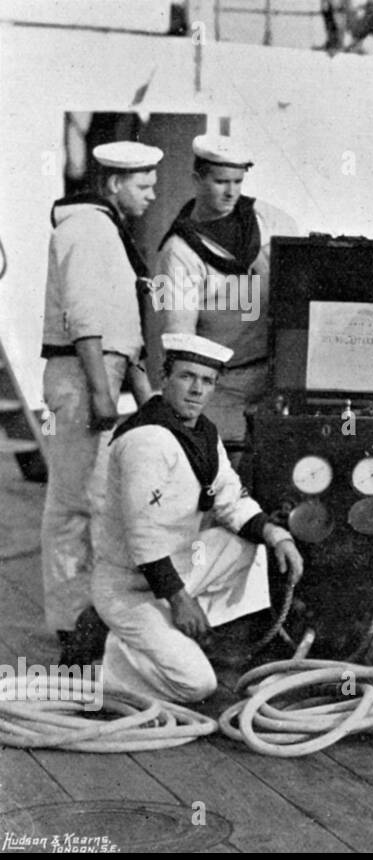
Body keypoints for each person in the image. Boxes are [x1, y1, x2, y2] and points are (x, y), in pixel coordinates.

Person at [93, 333, 303, 703]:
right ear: (164, 377)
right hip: (130, 587)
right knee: (196, 685)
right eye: (187, 376)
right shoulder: (148, 440)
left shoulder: (202, 431)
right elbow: (144, 536)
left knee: (247, 546)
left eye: (207, 381)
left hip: (172, 568)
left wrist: (275, 535)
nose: (197, 390)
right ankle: (106, 659)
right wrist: (179, 601)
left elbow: (229, 497)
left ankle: (176, 638)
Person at [41, 141, 160, 642]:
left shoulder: (104, 227)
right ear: (113, 184)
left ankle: (88, 615)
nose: (152, 194)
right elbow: (86, 318)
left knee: (93, 499)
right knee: (73, 505)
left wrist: (140, 390)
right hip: (83, 377)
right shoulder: (88, 228)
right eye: (143, 184)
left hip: (98, 374)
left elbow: (118, 325)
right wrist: (102, 396)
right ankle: (73, 624)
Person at [153, 134, 298, 457]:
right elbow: (179, 335)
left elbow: (301, 272)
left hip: (276, 377)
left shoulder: (267, 219)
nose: (231, 191)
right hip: (223, 384)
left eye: (238, 181)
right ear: (196, 179)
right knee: (222, 471)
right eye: (220, 181)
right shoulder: (178, 251)